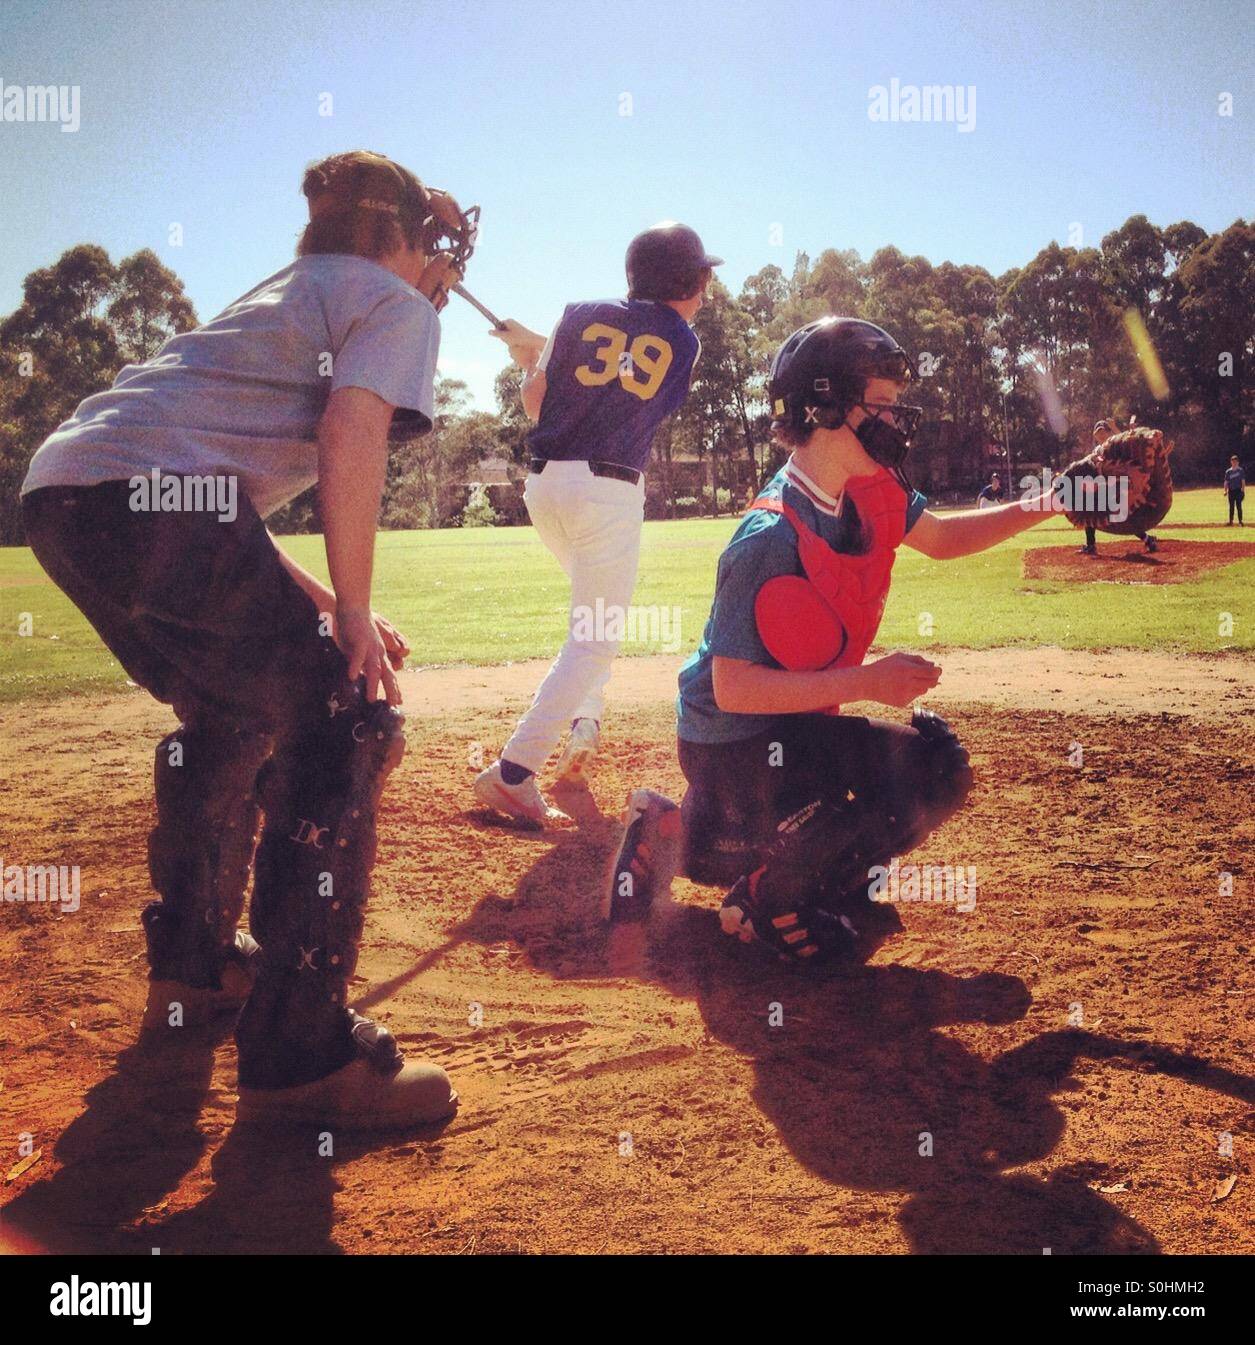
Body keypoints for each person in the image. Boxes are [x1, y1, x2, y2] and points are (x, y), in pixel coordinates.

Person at [20, 150, 476, 1128]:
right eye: (428, 244)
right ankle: (299, 1058)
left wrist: (317, 594)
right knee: (345, 711)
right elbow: (348, 436)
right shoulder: (394, 303)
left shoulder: (285, 287)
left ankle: (191, 976)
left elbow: (202, 481)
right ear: (395, 236)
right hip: (151, 502)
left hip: (66, 498)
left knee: (228, 713)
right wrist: (351, 614)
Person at [606, 317, 1067, 967]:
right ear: (822, 408)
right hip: (727, 742)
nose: (893, 420)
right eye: (876, 406)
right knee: (834, 812)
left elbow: (940, 538)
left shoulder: (871, 487)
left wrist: (1053, 500)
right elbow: (731, 686)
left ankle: (693, 835)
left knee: (934, 771)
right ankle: (765, 895)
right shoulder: (766, 537)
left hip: (792, 724)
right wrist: (865, 682)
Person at [472, 222, 722, 825]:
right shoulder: (683, 342)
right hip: (606, 494)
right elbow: (627, 388)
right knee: (595, 635)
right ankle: (514, 772)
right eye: (703, 275)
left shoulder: (576, 314)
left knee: (591, 624)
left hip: (545, 490)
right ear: (687, 280)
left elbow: (537, 403)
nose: (708, 286)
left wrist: (534, 354)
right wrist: (537, 351)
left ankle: (585, 715)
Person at [1081, 418, 1158, 555]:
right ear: (1094, 435)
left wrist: (1115, 428)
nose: (1101, 435)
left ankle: (1147, 539)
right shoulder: (1097, 450)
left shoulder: (1115, 446)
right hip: (1104, 487)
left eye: (1103, 431)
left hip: (1118, 487)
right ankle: (1091, 545)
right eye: (1098, 432)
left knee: (1123, 517)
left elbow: (1126, 440)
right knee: (1089, 510)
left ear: (1109, 433)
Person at [1224, 455, 1246, 525]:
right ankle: (1231, 521)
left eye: (1235, 462)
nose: (1234, 463)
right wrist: (1225, 490)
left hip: (1238, 491)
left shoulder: (1240, 471)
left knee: (1239, 506)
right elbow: (1226, 482)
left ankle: (1240, 521)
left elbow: (1243, 481)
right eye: (1233, 461)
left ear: (1238, 462)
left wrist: (1242, 490)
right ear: (1231, 462)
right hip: (1231, 491)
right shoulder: (1228, 472)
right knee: (1231, 507)